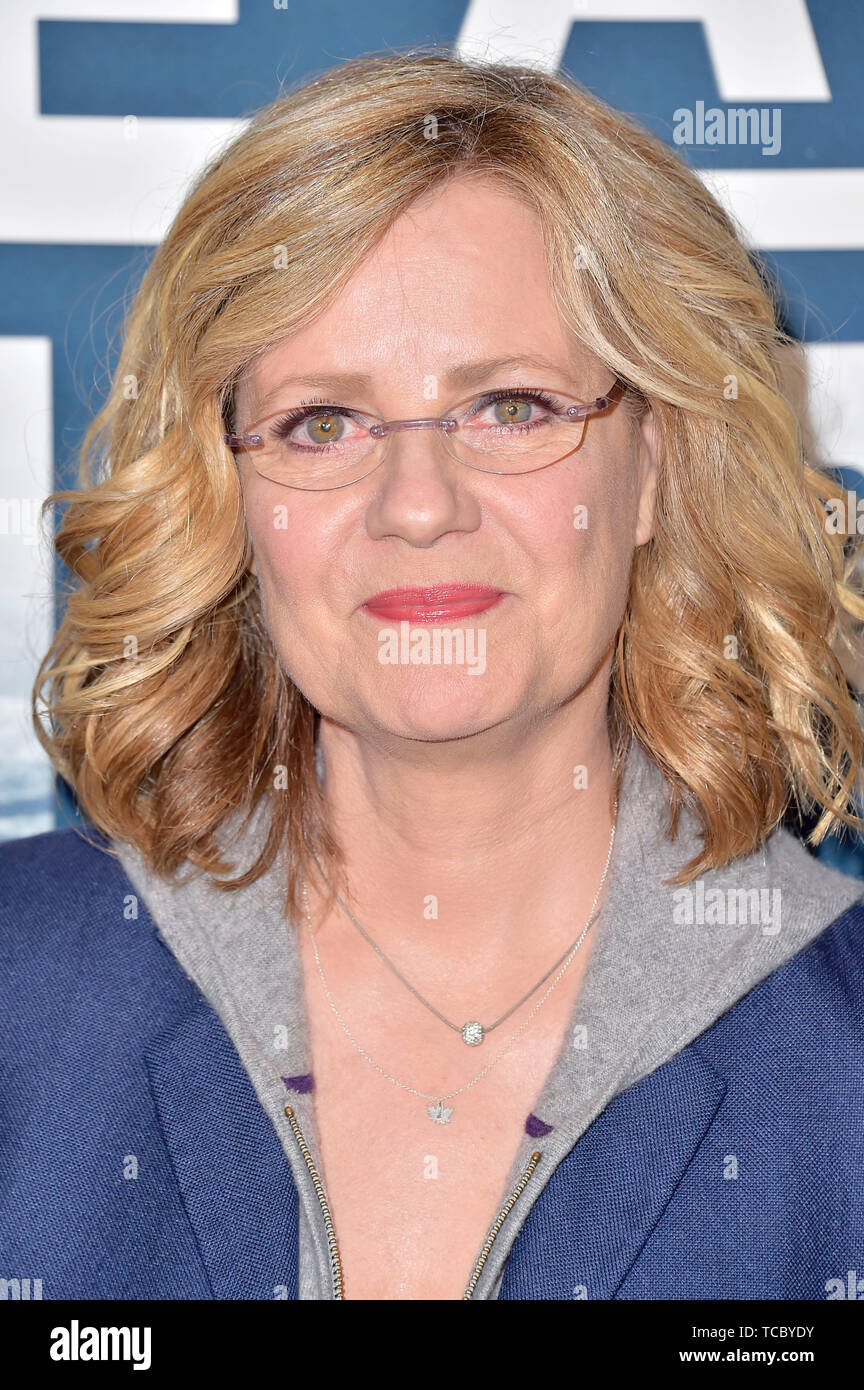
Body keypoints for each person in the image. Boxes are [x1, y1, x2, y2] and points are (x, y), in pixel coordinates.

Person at [2, 49, 863, 1302]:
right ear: (226, 493)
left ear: (659, 463)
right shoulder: (23, 990)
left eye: (510, 406)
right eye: (322, 423)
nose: (416, 505)